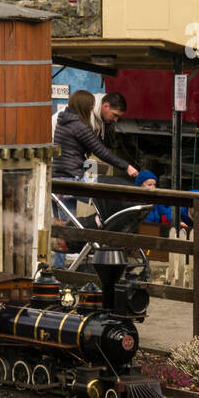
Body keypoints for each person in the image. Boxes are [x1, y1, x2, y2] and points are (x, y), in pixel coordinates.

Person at [52, 89, 139, 267]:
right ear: (85, 108)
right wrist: (127, 166)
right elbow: (100, 151)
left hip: (59, 179)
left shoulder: (63, 121)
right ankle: (100, 230)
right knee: (104, 198)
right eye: (91, 107)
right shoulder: (80, 126)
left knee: (64, 227)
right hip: (70, 179)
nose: (93, 110)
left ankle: (59, 269)